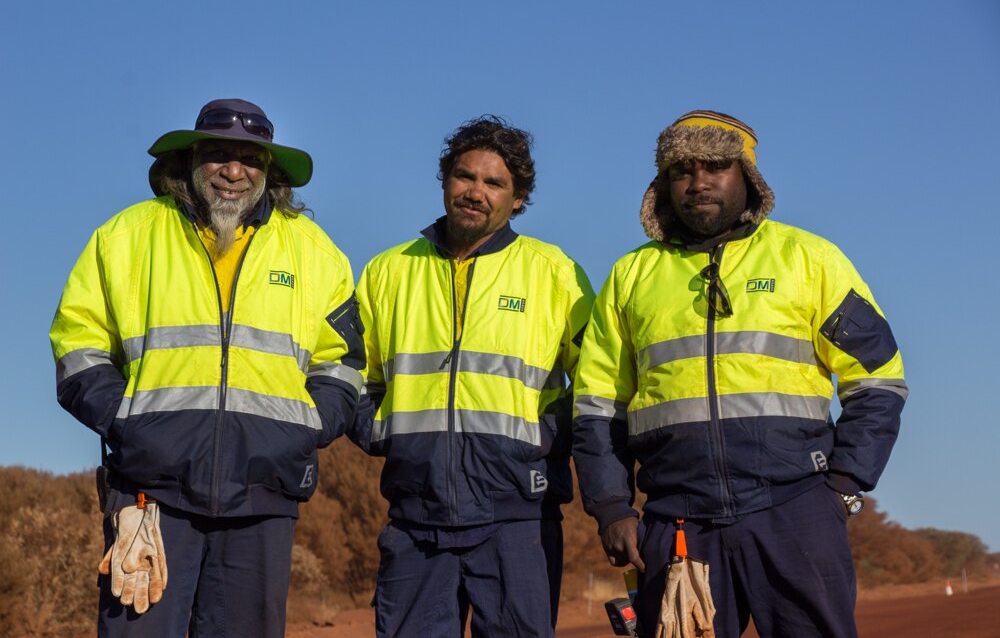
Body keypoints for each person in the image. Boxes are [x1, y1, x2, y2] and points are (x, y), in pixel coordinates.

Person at [573, 110, 907, 637]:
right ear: (663, 183)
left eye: (715, 167)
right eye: (682, 170)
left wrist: (843, 484)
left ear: (746, 177)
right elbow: (596, 408)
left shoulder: (809, 258)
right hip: (678, 522)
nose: (698, 182)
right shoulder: (630, 275)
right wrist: (612, 506)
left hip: (796, 511)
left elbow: (878, 378)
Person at [50, 99, 364, 637]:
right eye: (219, 153)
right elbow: (77, 344)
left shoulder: (317, 254)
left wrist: (306, 428)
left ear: (271, 171)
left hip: (264, 494)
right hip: (151, 491)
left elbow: (344, 364)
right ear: (192, 158)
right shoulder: (125, 237)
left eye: (250, 158)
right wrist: (129, 421)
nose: (233, 171)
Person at [354, 116, 594, 637]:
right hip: (415, 517)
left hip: (518, 519)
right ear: (444, 181)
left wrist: (549, 445)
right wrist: (383, 434)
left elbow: (597, 385)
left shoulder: (556, 273)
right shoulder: (386, 271)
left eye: (494, 183)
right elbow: (356, 376)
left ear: (519, 198)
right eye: (465, 177)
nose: (475, 192)